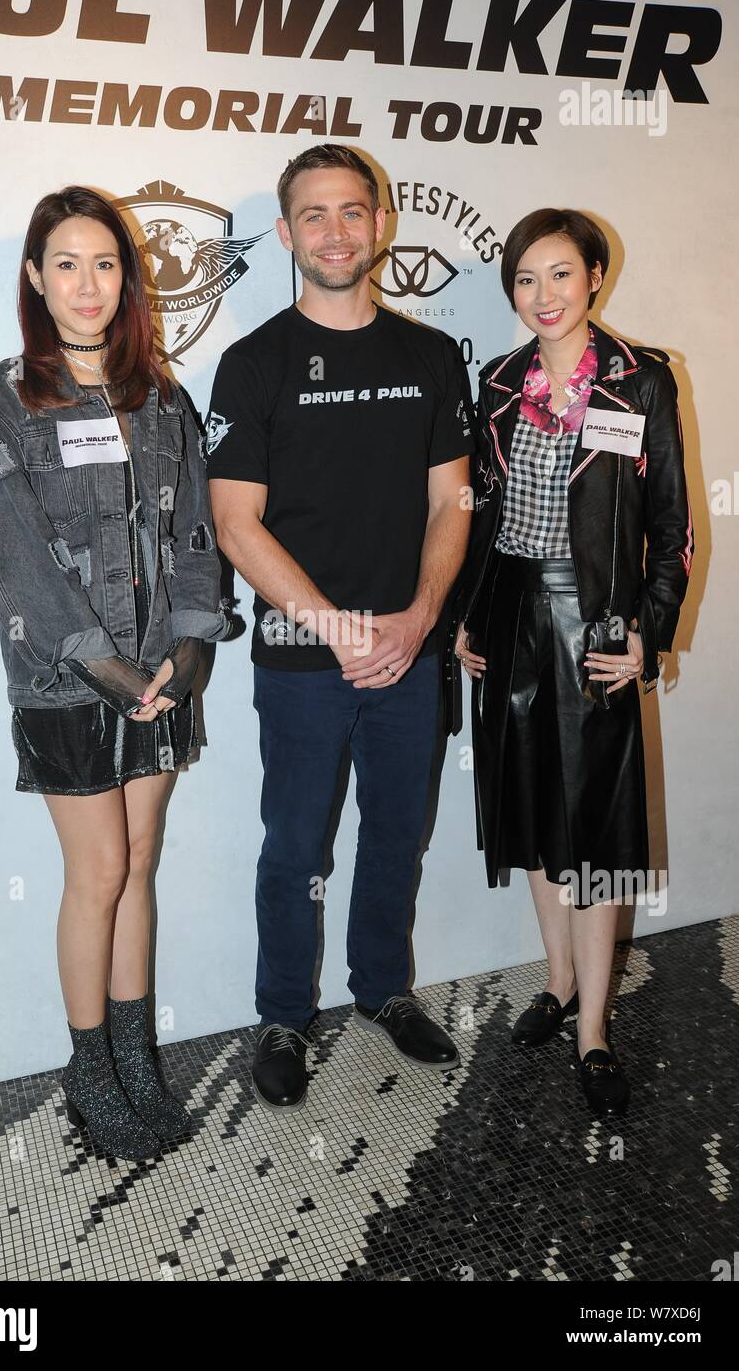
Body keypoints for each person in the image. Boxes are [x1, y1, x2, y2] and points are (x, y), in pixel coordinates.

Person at [204, 144, 474, 1112]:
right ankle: (282, 1013)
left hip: (411, 651)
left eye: (350, 211)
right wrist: (339, 630)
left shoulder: (431, 356)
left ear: (379, 223)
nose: (333, 231)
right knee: (295, 846)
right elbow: (236, 523)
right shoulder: (251, 364)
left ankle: (381, 991)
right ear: (285, 234)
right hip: (301, 662)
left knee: (397, 833)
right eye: (312, 215)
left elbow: (454, 505)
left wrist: (417, 618)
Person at [0, 186, 229, 1160]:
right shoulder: (6, 396)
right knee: (100, 869)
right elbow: (16, 556)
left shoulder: (161, 396)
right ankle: (88, 1068)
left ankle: (134, 1051)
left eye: (106, 263)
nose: (87, 284)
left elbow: (195, 531)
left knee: (143, 860)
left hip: (163, 669)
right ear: (36, 278)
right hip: (65, 678)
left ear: (129, 278)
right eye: (66, 264)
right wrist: (105, 666)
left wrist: (192, 642)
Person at [445, 208, 694, 1117]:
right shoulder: (499, 381)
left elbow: (672, 527)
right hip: (510, 614)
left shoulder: (642, 383)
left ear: (594, 275)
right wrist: (465, 617)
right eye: (524, 280)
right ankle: (554, 983)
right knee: (535, 818)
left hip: (595, 627)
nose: (541, 296)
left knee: (591, 829)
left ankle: (593, 1029)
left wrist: (648, 630)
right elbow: (476, 510)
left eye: (558, 275)